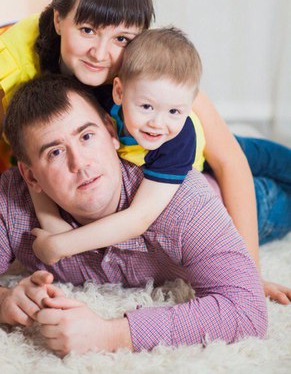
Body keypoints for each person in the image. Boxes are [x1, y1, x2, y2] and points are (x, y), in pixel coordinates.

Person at [0, 0, 291, 302]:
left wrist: (250, 275)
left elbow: (229, 160)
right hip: (162, 164)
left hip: (188, 155)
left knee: (270, 164)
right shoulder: (17, 66)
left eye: (121, 39)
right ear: (58, 19)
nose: (100, 53)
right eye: (88, 30)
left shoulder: (149, 67)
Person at [0, 74, 270, 356]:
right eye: (55, 152)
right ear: (31, 176)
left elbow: (247, 309)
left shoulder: (180, 199)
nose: (81, 164)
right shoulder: (14, 203)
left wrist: (110, 334)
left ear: (111, 132)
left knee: (272, 176)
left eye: (87, 136)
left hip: (239, 200)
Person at [30, 27, 204, 264]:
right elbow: (32, 152)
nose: (157, 123)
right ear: (119, 92)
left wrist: (59, 245)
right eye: (146, 107)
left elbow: (139, 219)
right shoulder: (100, 102)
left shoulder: (178, 139)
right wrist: (50, 219)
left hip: (201, 161)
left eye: (174, 111)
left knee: (256, 175)